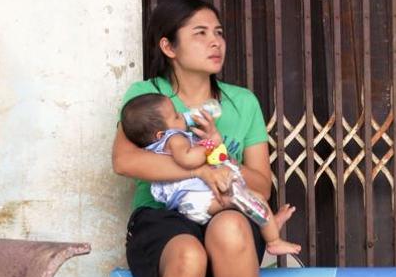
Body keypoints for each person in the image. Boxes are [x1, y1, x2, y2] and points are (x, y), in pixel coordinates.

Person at [113, 0, 285, 277]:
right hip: (162, 219)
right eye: (201, 33)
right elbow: (125, 161)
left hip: (229, 215)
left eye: (219, 33)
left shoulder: (242, 103)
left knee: (228, 226)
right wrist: (201, 169)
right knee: (188, 254)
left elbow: (261, 186)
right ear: (168, 47)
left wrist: (221, 161)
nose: (216, 42)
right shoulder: (147, 98)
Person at [120, 93, 301, 256]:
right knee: (244, 199)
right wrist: (207, 145)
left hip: (196, 199)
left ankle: (269, 229)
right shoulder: (173, 138)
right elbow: (188, 160)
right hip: (197, 200)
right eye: (176, 116)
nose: (182, 115)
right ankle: (271, 237)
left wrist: (212, 144)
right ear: (160, 134)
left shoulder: (165, 143)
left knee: (254, 198)